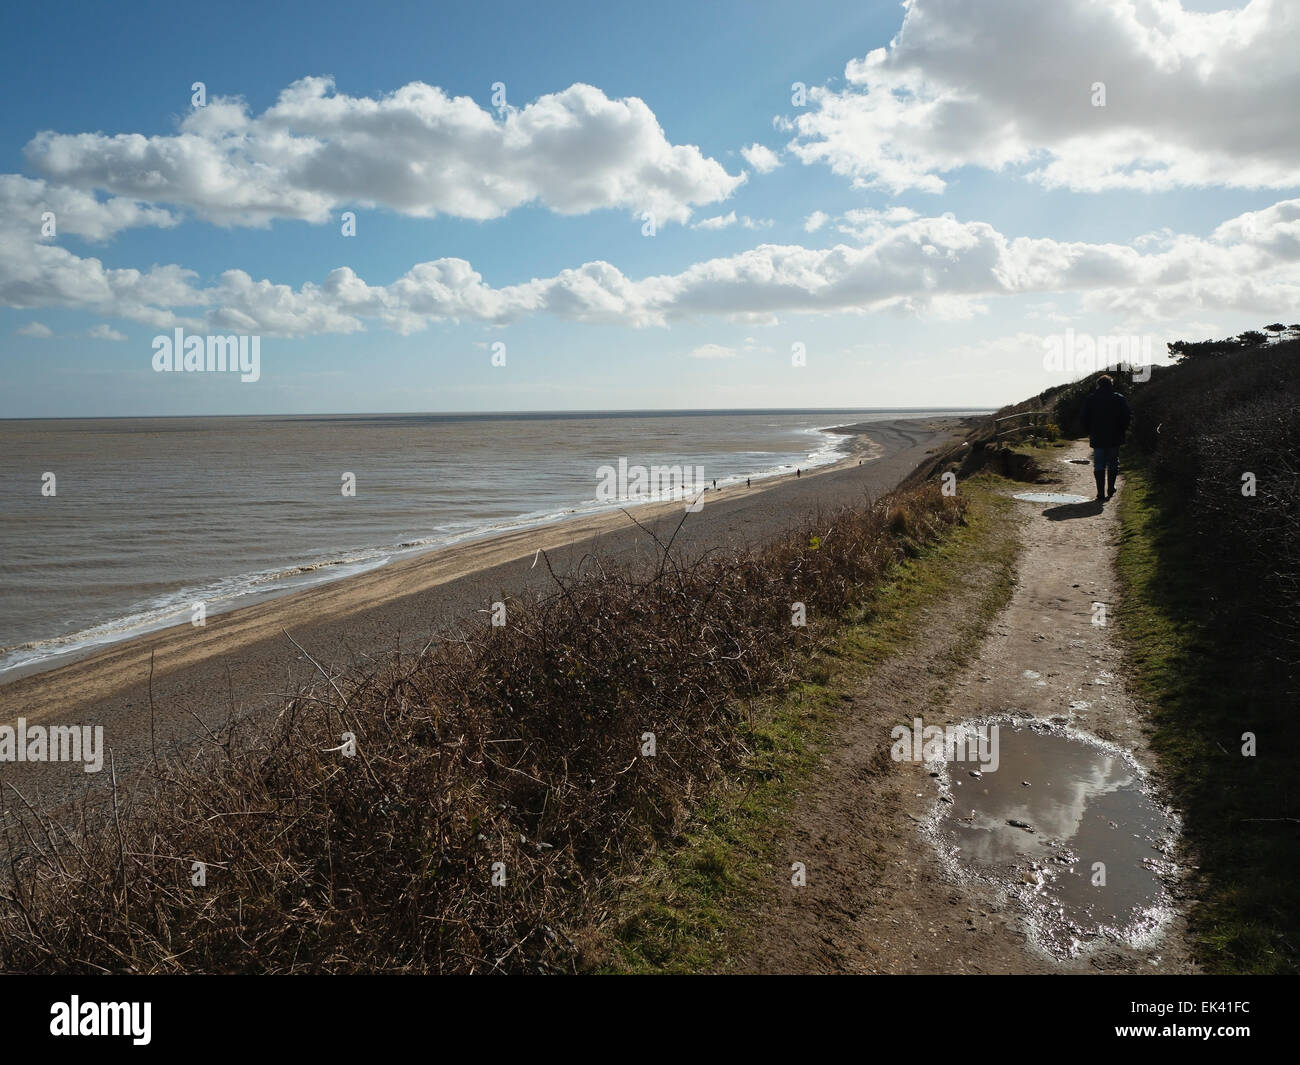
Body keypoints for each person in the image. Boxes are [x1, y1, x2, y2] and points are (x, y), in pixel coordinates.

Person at [1082, 374, 1131, 501]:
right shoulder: (1119, 398)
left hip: (1097, 436)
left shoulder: (1091, 399)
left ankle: (1100, 493)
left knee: (1099, 464)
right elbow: (1127, 416)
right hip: (1115, 436)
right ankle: (1110, 488)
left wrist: (1090, 431)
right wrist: (1122, 429)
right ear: (1111, 385)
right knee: (1113, 462)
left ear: (1098, 385)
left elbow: (1084, 417)